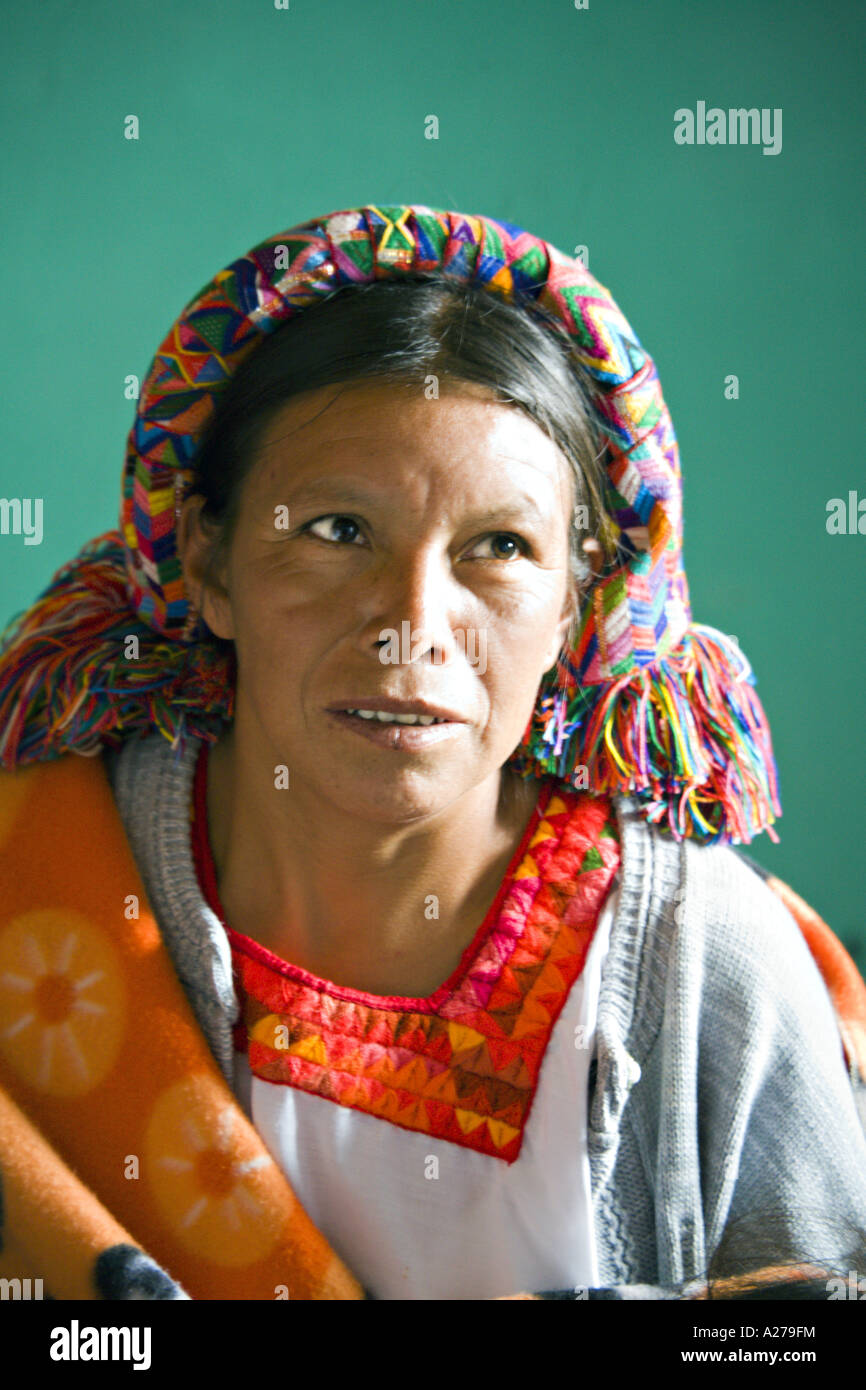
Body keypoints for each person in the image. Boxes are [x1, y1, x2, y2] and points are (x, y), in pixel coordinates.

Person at [0, 203, 864, 1302]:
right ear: (206, 561)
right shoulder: (44, 881)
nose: (409, 624)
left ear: (576, 607)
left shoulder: (706, 970)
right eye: (336, 531)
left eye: (497, 547)